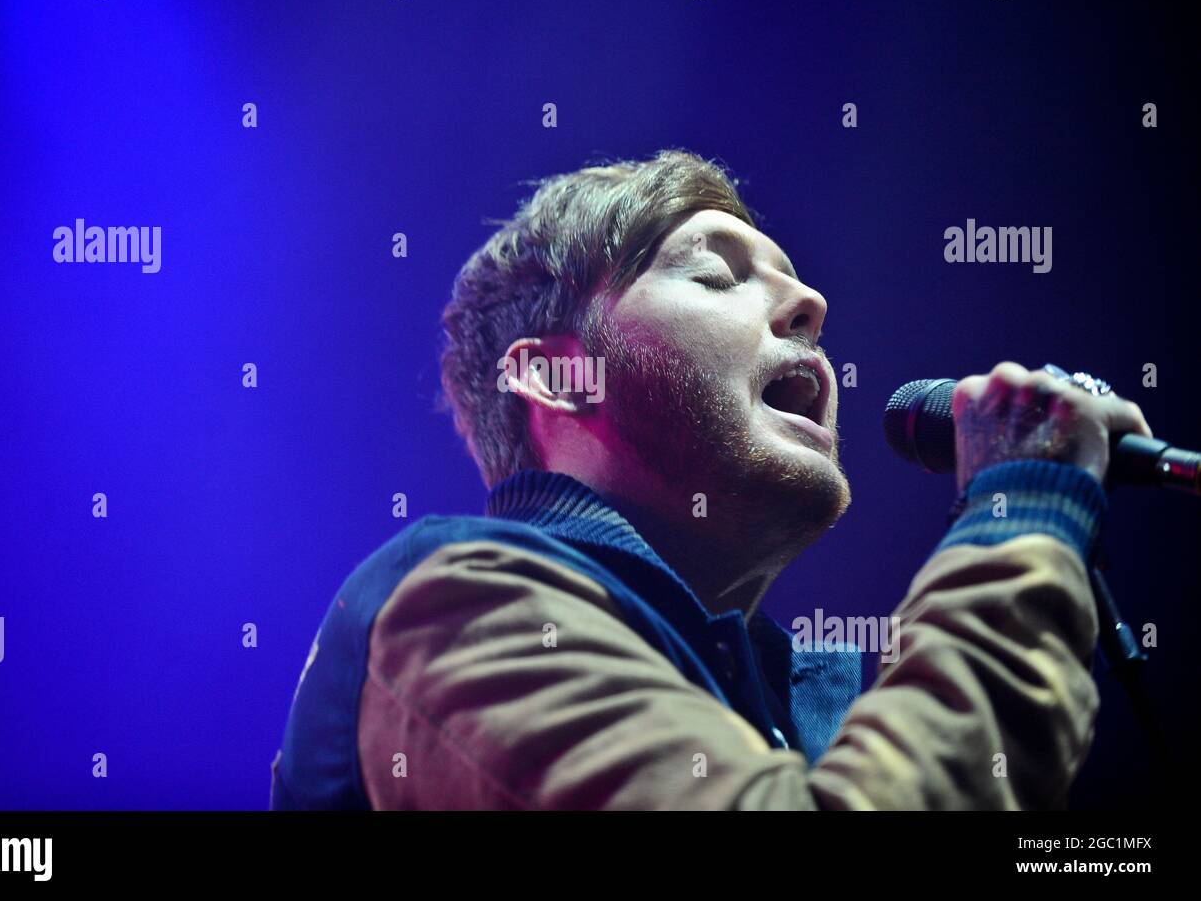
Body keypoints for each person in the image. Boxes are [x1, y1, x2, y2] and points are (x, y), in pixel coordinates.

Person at [269, 149, 1152, 810]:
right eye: (716, 275)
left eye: (797, 287)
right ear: (555, 377)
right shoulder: (459, 604)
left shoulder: (835, 697)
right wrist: (1021, 514)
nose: (813, 308)